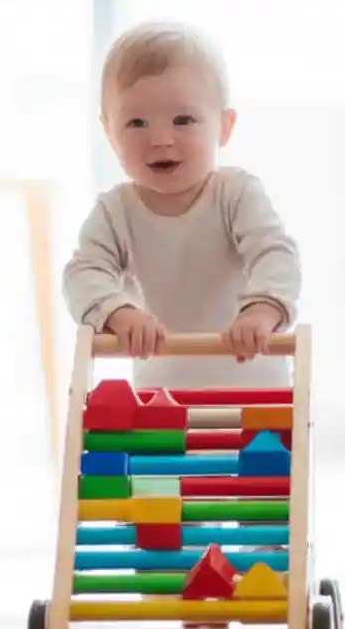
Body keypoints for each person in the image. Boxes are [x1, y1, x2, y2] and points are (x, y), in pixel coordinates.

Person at [62, 22, 301, 389]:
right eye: (136, 122)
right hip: (163, 402)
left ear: (224, 126)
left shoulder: (236, 194)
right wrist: (119, 313)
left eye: (183, 120)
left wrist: (262, 311)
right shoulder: (114, 213)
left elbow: (275, 255)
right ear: (109, 132)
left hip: (255, 393)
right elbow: (83, 274)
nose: (160, 139)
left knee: (262, 449)